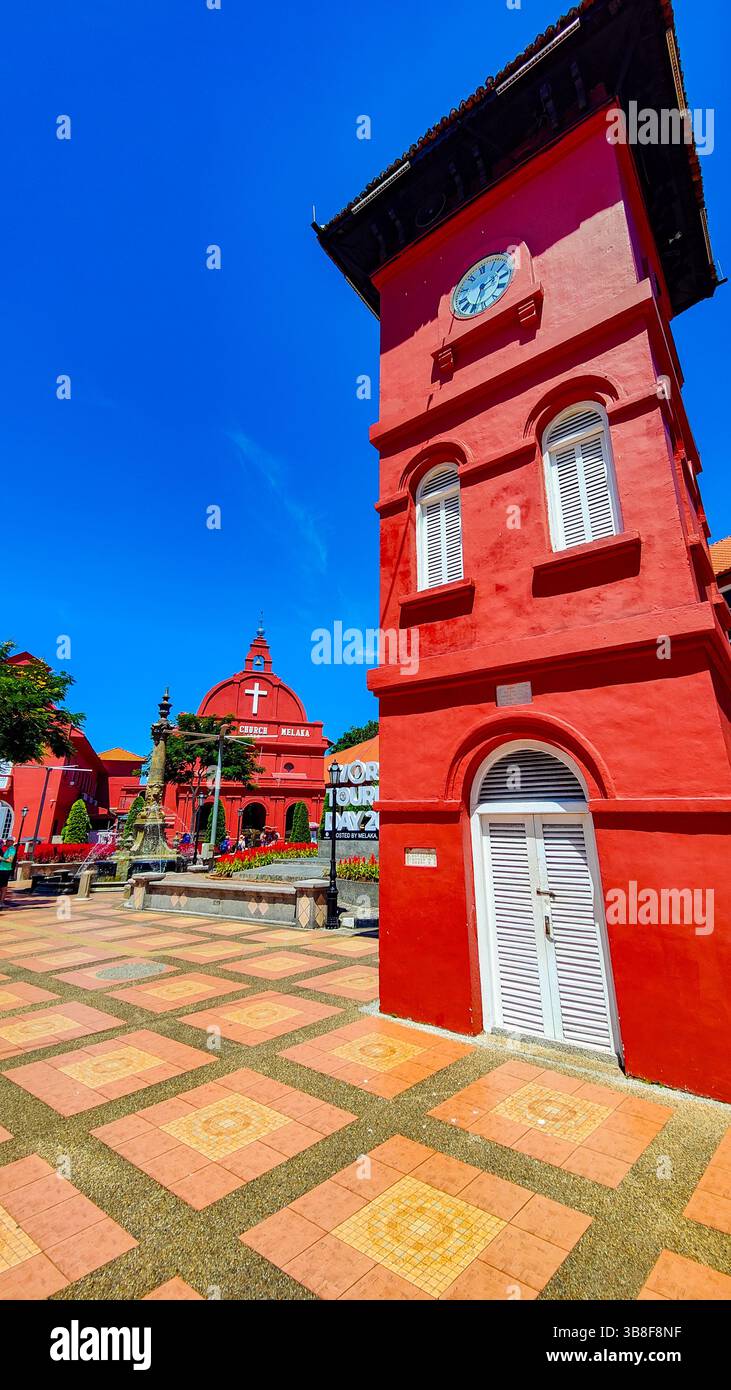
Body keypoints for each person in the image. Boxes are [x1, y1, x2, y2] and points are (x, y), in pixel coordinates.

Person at [0, 840, 16, 908]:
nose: (6, 842)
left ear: (11, 842)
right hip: (2, 869)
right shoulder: (9, 849)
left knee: (3, 887)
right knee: (2, 887)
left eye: (8, 841)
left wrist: (1, 858)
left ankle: (1, 902)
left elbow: (10, 860)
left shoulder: (12, 849)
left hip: (5, 870)